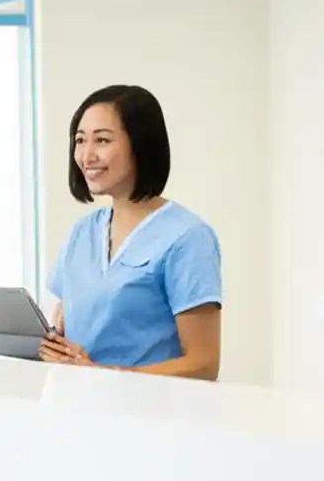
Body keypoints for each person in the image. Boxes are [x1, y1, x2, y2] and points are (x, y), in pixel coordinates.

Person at [39, 84, 223, 380]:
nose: (86, 155)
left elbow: (203, 364)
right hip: (78, 409)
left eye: (102, 140)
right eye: (80, 140)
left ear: (141, 144)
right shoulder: (81, 233)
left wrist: (107, 374)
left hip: (152, 416)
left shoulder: (188, 238)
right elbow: (65, 323)